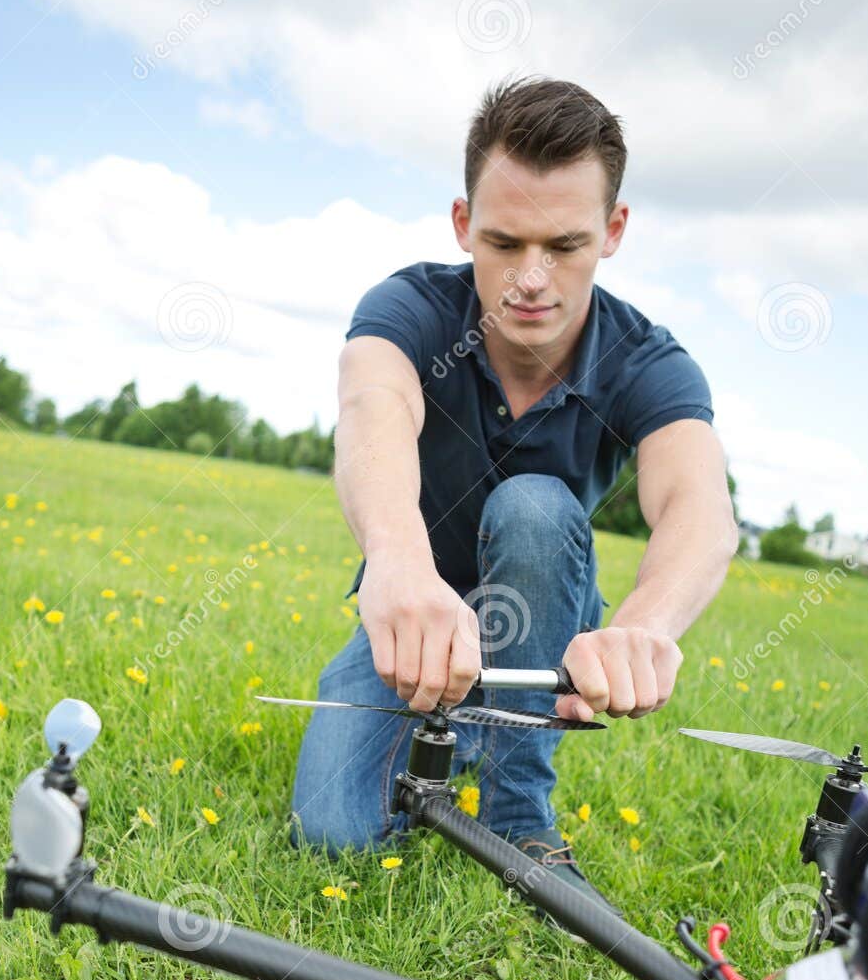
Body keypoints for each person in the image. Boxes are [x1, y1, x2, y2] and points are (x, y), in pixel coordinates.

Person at [290, 76, 737, 909]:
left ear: (613, 231)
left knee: (533, 504)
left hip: (542, 622)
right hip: (413, 609)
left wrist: (643, 628)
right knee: (331, 833)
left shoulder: (649, 361)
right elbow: (370, 405)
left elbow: (700, 510)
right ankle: (450, 719)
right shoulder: (410, 306)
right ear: (463, 225)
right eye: (502, 243)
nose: (530, 279)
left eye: (563, 246)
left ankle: (517, 813)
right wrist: (395, 563)